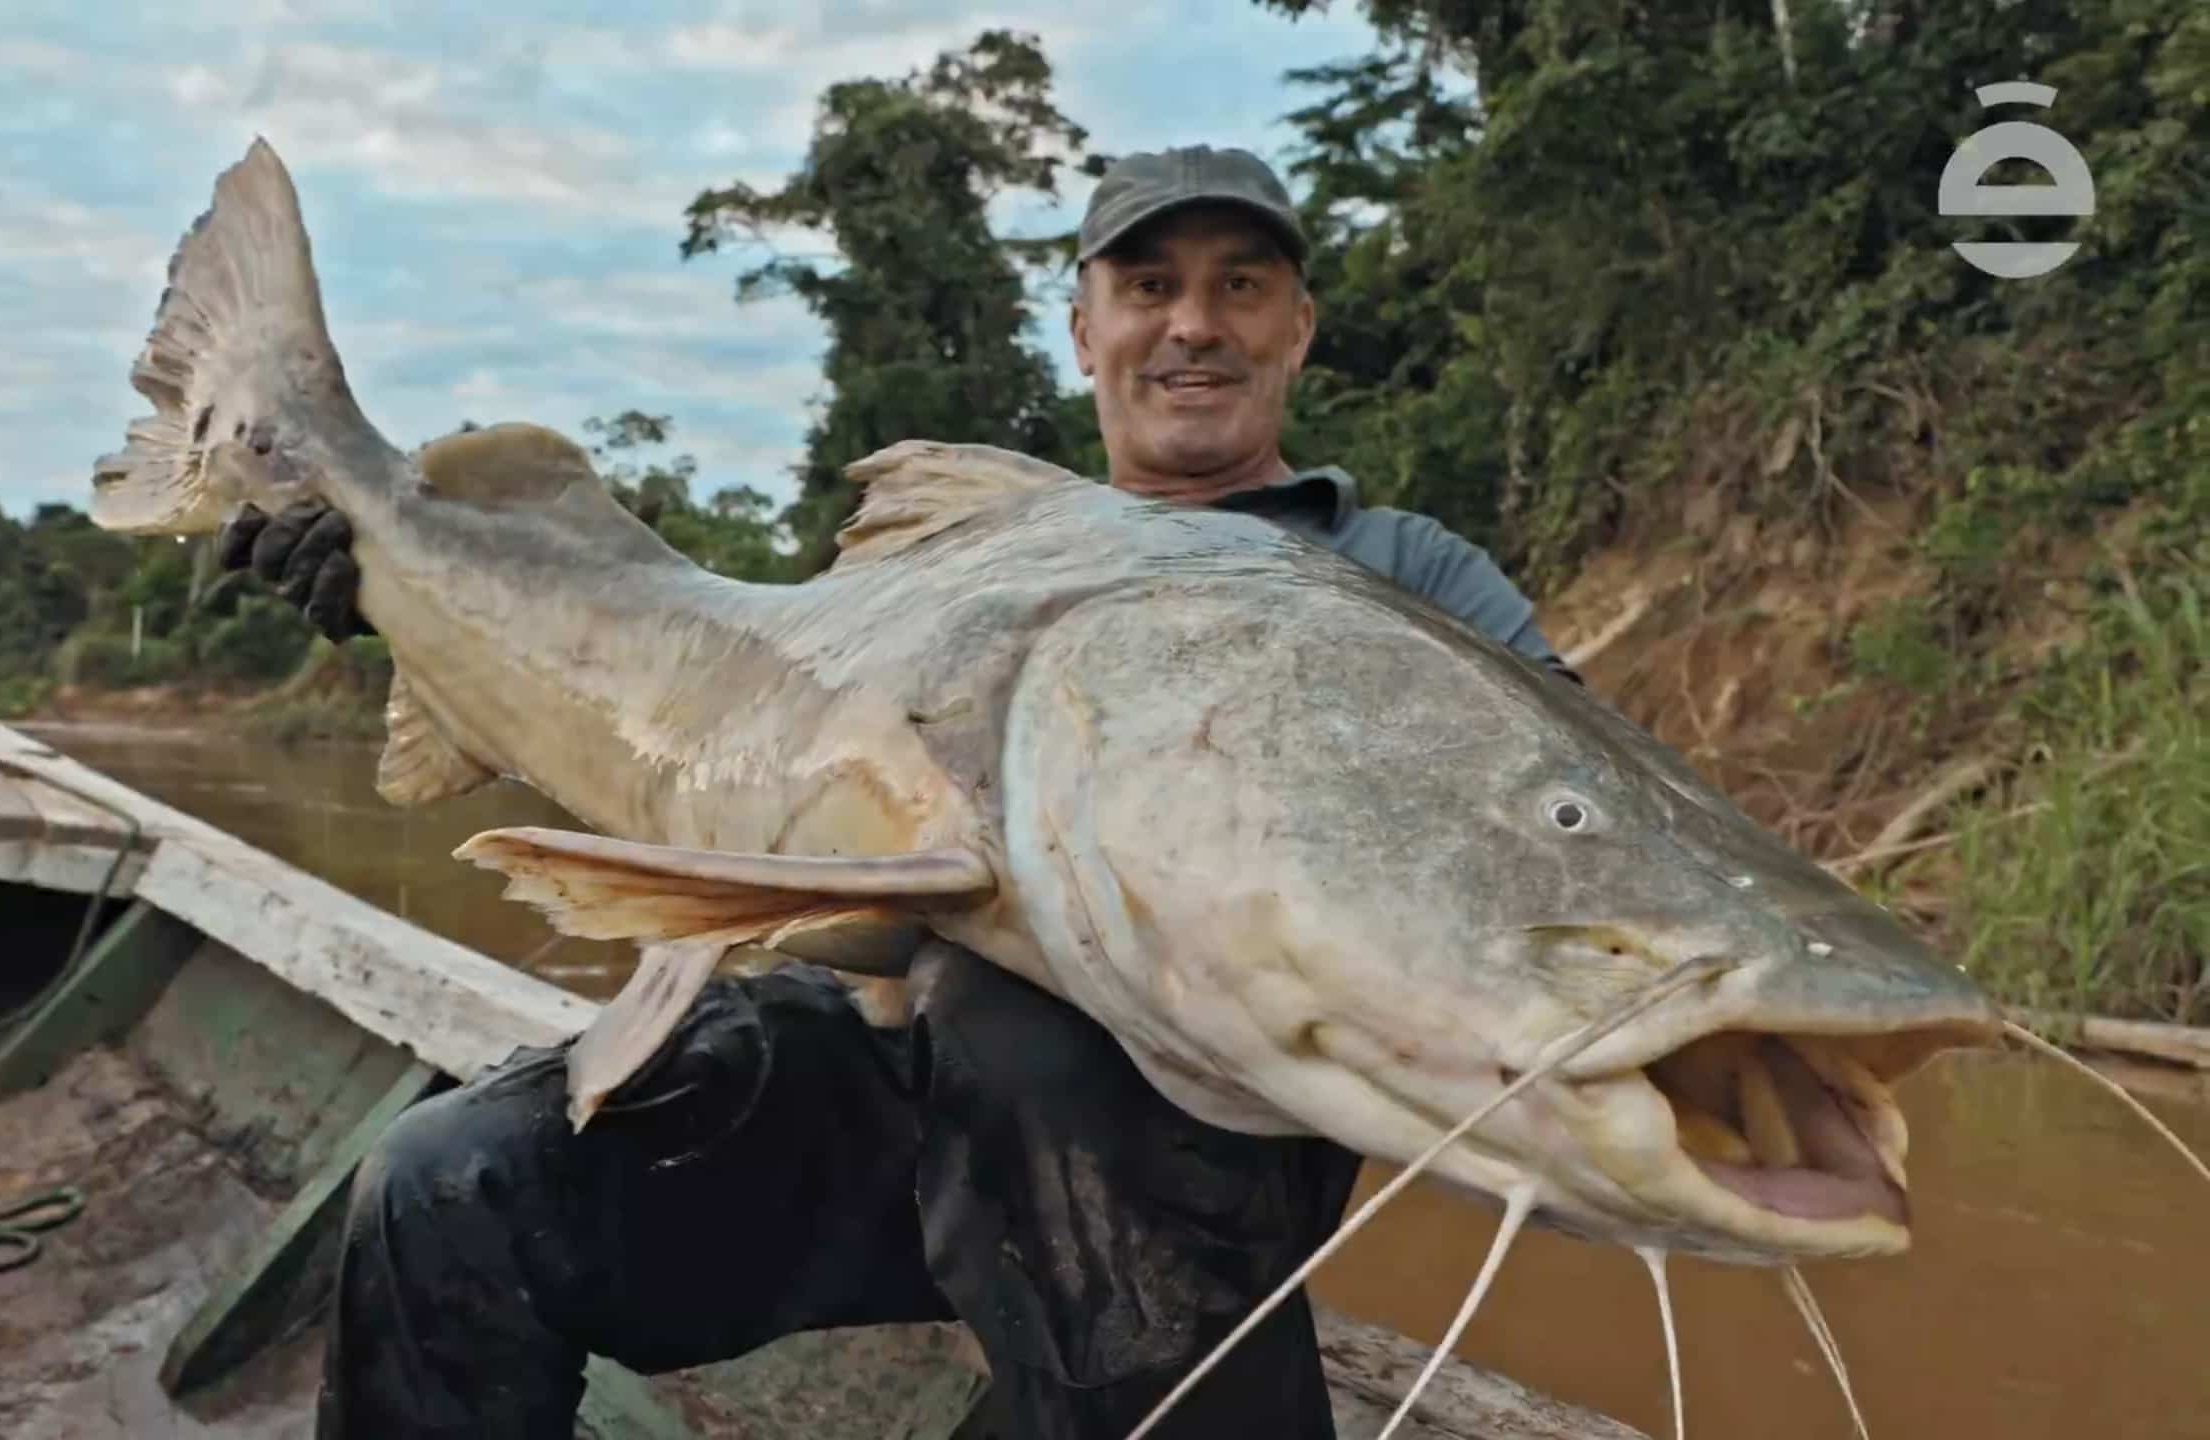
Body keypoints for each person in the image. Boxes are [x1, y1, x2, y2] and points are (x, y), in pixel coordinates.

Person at [232, 146, 1579, 1440]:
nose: (1195, 326)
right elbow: (692, 721)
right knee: (443, 1183)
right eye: (1150, 287)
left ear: (1298, 328)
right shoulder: (963, 570)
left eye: (1241, 286)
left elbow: (1561, 809)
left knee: (1026, 1023)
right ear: (1083, 332)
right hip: (881, 1104)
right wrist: (408, 595)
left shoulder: (1401, 573)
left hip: (1184, 1168)